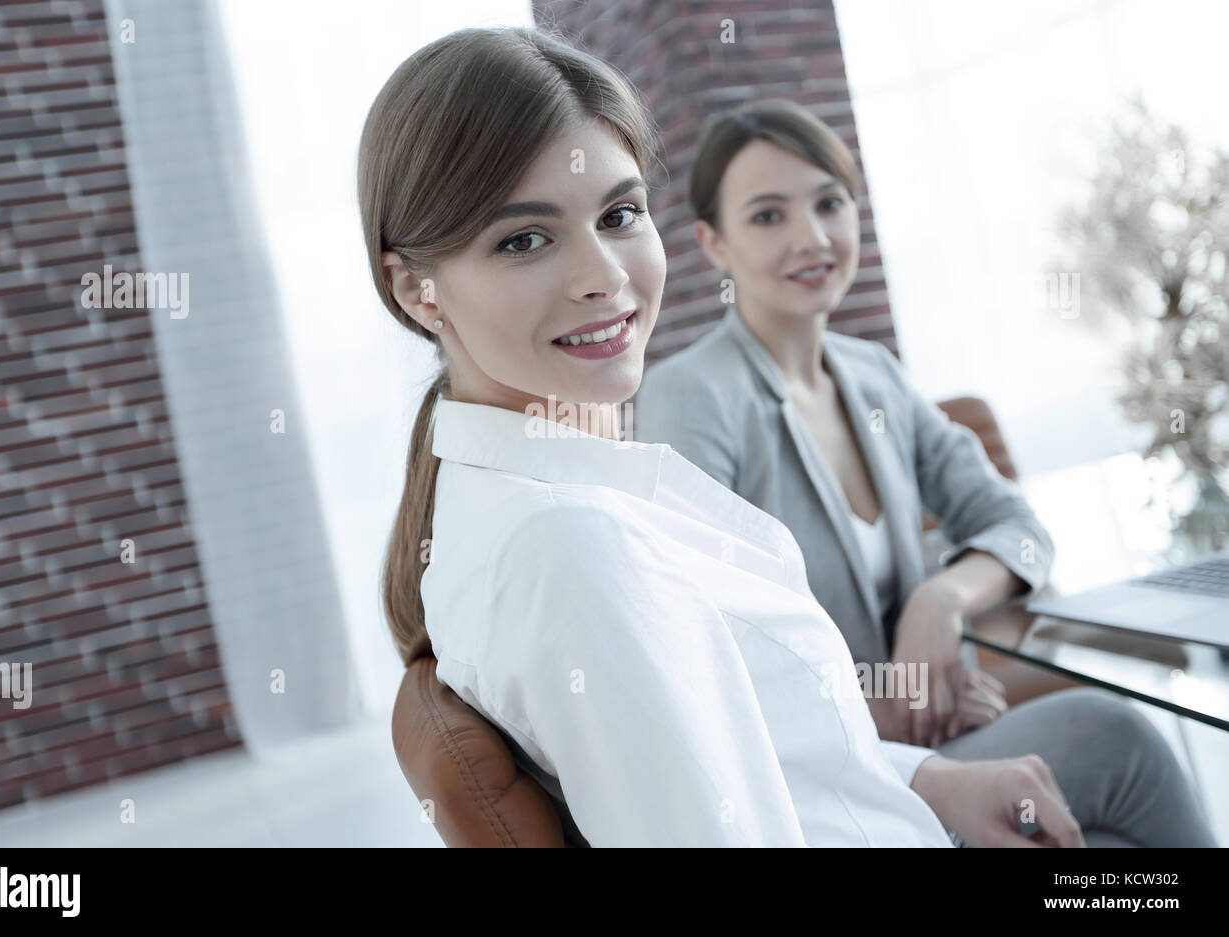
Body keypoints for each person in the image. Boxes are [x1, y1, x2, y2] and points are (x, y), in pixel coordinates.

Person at [364, 27, 1189, 846]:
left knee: (1116, 753)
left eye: (619, 213)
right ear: (417, 288)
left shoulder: (858, 381)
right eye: (526, 238)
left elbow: (772, 740)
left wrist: (924, 763)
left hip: (883, 784)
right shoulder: (575, 540)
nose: (605, 277)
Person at [635, 97, 1217, 847]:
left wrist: (940, 602)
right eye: (769, 216)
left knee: (1098, 847)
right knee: (1114, 738)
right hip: (824, 770)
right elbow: (717, 640)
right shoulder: (692, 396)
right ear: (713, 244)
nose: (812, 238)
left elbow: (1023, 532)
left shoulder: (873, 376)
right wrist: (891, 693)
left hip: (923, 741)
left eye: (830, 202)